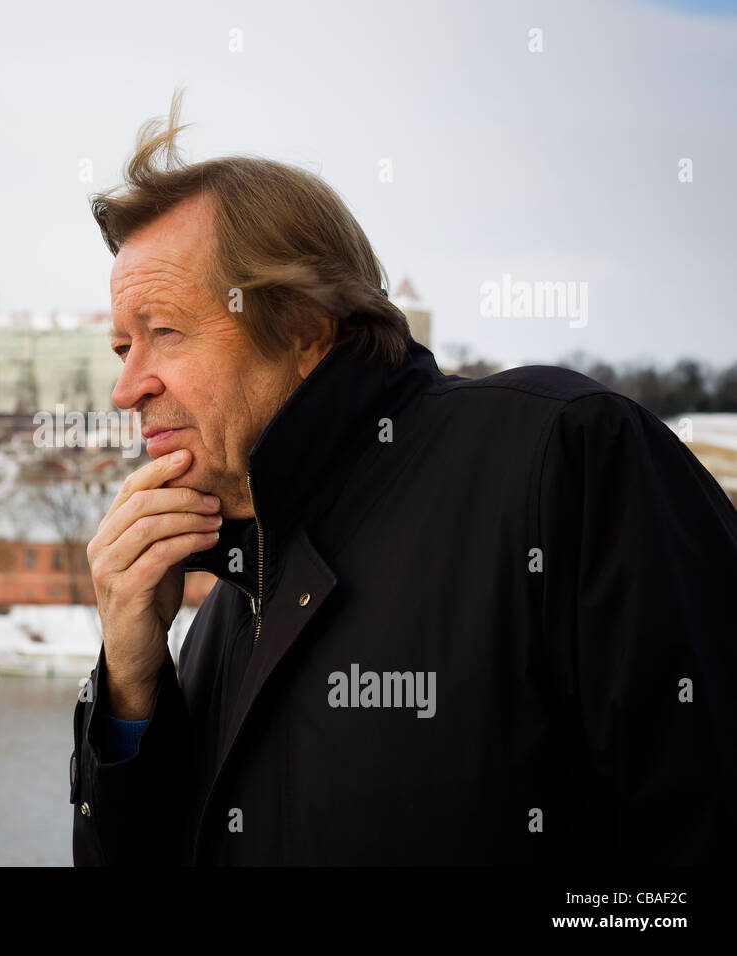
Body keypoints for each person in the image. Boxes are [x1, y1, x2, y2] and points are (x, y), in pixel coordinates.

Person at [70, 92, 737, 865]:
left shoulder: (566, 460)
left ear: (303, 327)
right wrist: (129, 685)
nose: (129, 387)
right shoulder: (233, 593)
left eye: (165, 334)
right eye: (124, 348)